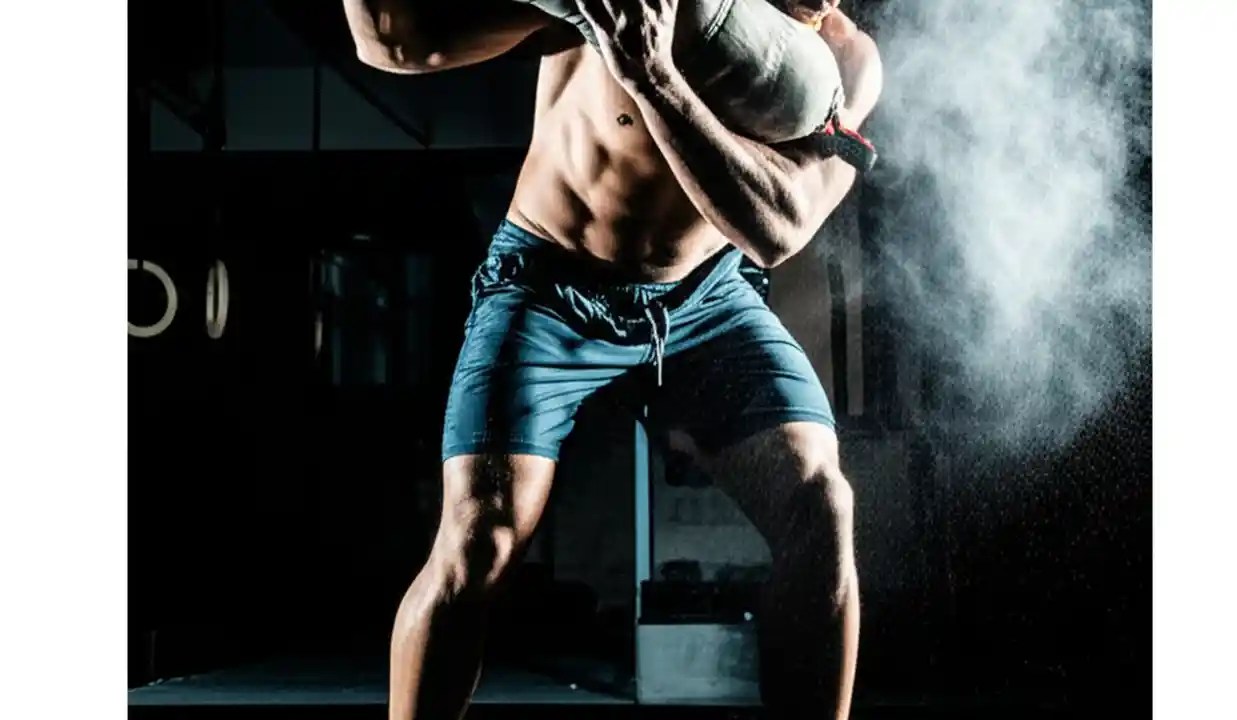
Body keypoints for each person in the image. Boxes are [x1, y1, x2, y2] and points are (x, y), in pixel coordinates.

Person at [340, 1, 883, 718]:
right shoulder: (645, 3)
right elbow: (391, 40)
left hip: (705, 299)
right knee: (479, 536)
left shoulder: (847, 62)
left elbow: (780, 226)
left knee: (821, 506)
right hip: (550, 280)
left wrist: (653, 76)